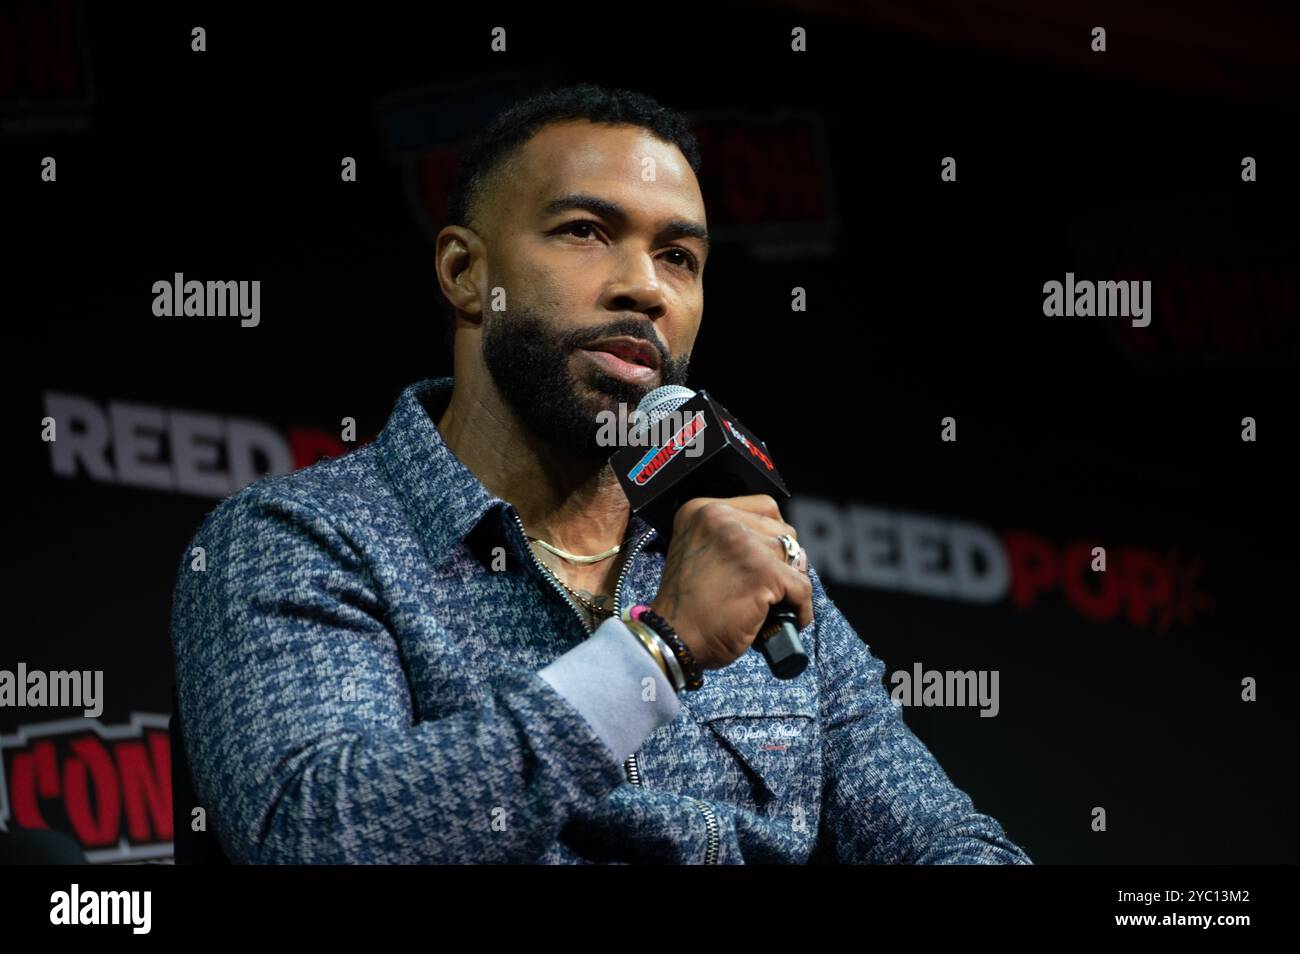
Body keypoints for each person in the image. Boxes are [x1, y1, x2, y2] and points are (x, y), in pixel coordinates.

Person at [169, 83, 1032, 864]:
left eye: (679, 258)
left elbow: (945, 842)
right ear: (466, 274)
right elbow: (320, 836)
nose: (643, 288)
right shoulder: (300, 538)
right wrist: (656, 652)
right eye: (586, 232)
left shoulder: (740, 551)